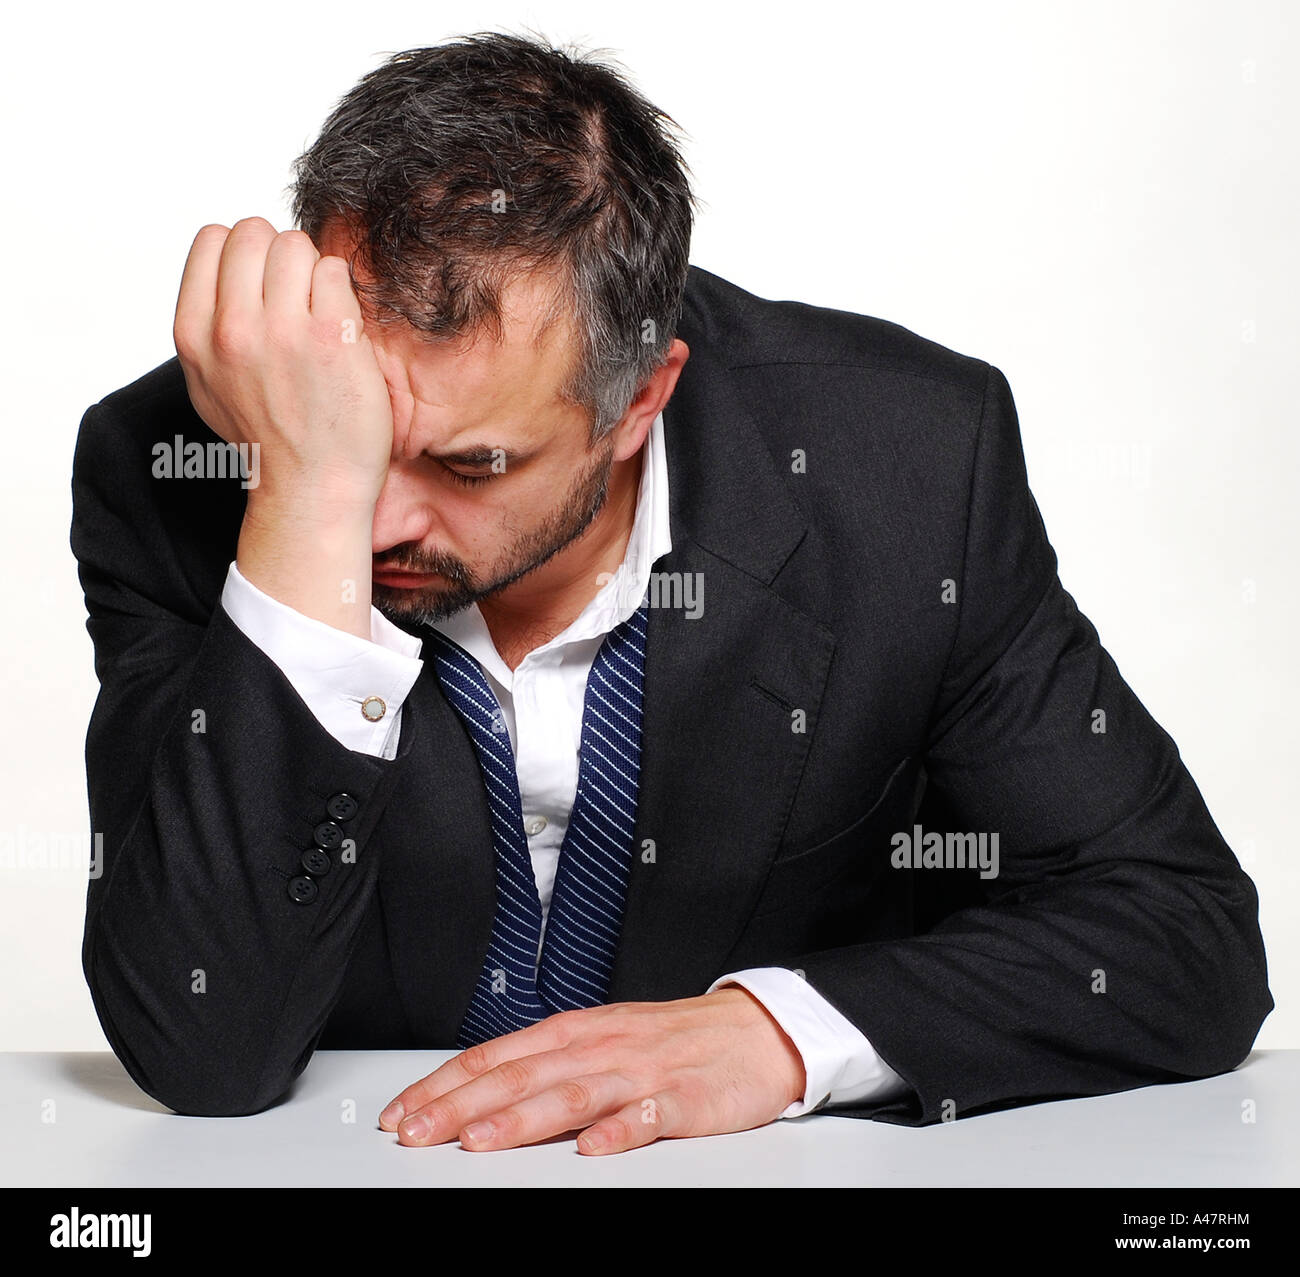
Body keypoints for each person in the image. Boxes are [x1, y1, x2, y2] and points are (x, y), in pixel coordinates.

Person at [70, 31, 1272, 1157]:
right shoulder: (171, 466)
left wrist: (782, 1031)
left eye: (470, 462)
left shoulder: (904, 466)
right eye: (354, 435)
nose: (378, 519)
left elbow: (1180, 933)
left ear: (640, 398)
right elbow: (203, 1043)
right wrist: (298, 500)